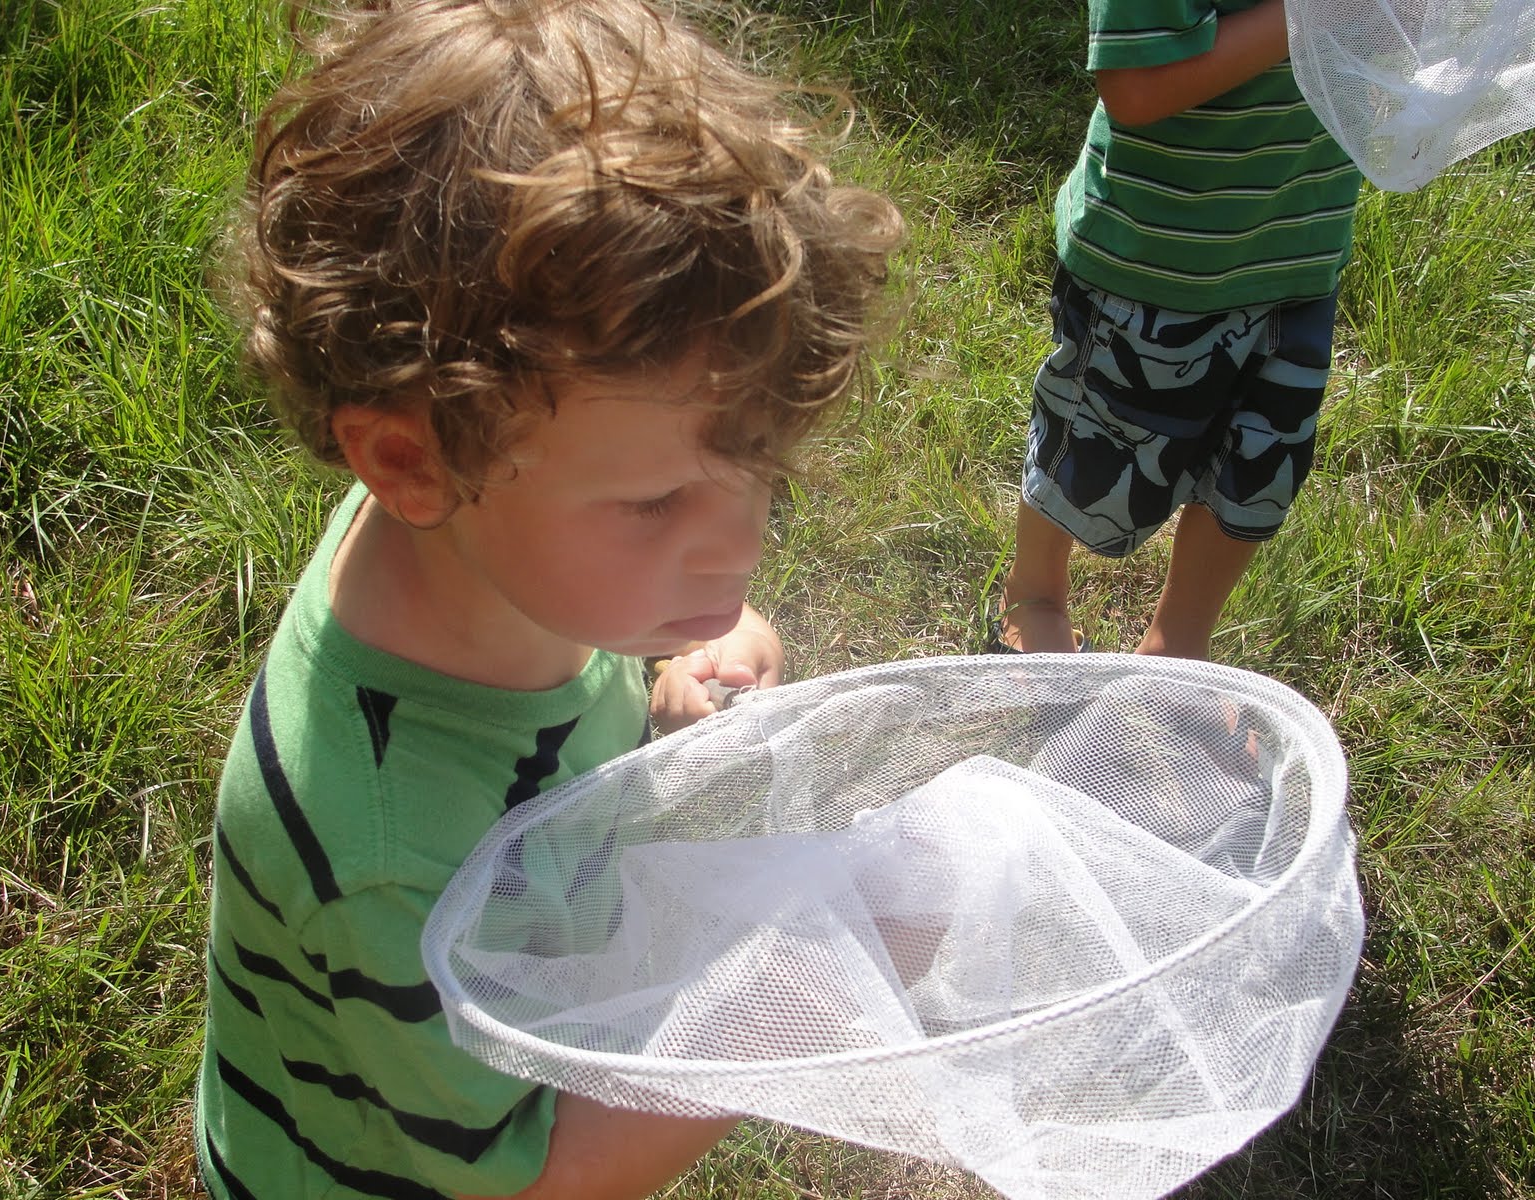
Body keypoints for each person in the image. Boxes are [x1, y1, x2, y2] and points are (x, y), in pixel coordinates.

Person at [192, 1, 902, 1196]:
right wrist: (782, 1011)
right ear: (410, 461)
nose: (736, 557)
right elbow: (530, 1181)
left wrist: (672, 658)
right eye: (654, 506)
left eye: (759, 473)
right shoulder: (389, 859)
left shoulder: (480, 551)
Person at [992, 0, 1360, 659]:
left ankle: (1180, 638)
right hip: (1154, 257)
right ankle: (1034, 586)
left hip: (1302, 242)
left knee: (1255, 469)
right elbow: (1135, 86)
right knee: (1092, 443)